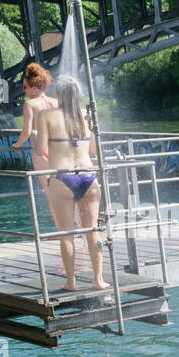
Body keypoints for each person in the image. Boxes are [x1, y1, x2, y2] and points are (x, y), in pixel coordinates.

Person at [37, 76, 106, 292]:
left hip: (63, 178)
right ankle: (98, 280)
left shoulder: (46, 115)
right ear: (77, 96)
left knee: (66, 234)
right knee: (92, 231)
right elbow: (96, 150)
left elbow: (39, 150)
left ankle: (71, 282)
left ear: (57, 94)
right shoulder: (85, 118)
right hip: (89, 178)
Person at [11, 63, 57, 190]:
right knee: (63, 192)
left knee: (50, 193)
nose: (23, 90)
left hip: (42, 151)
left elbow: (27, 131)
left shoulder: (30, 104)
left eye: (25, 87)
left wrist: (18, 144)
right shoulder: (56, 102)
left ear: (34, 88)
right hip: (59, 150)